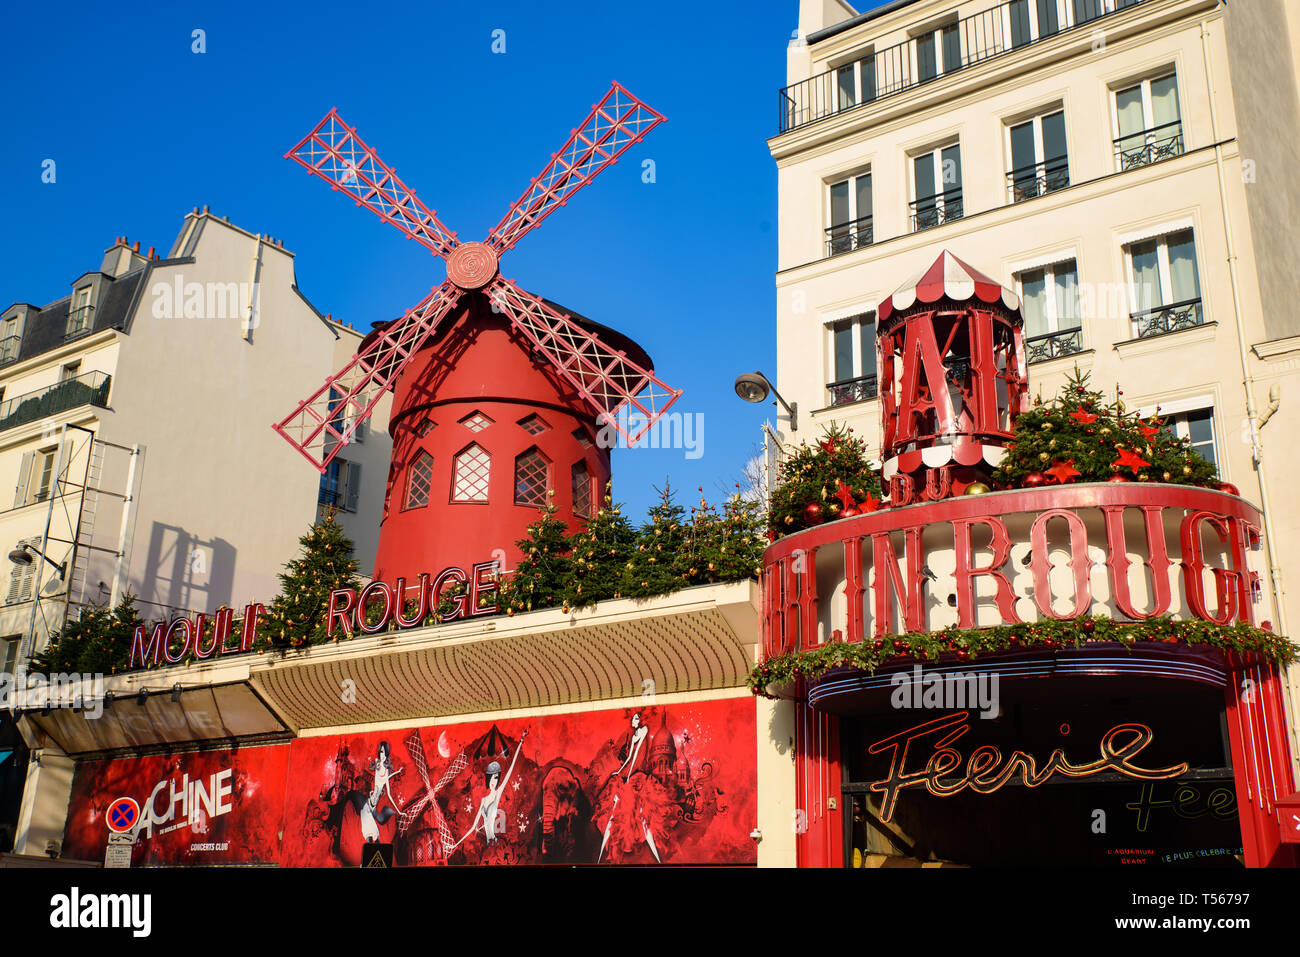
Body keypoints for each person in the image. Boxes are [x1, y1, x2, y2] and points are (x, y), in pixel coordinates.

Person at [353, 740, 403, 843]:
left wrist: (399, 811)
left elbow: (389, 793)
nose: (382, 755)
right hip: (369, 804)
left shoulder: (386, 773)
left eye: (384, 752)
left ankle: (376, 848)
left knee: (375, 832)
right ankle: (371, 845)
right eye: (381, 751)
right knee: (369, 825)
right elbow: (373, 775)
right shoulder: (377, 764)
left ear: (387, 754)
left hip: (373, 807)